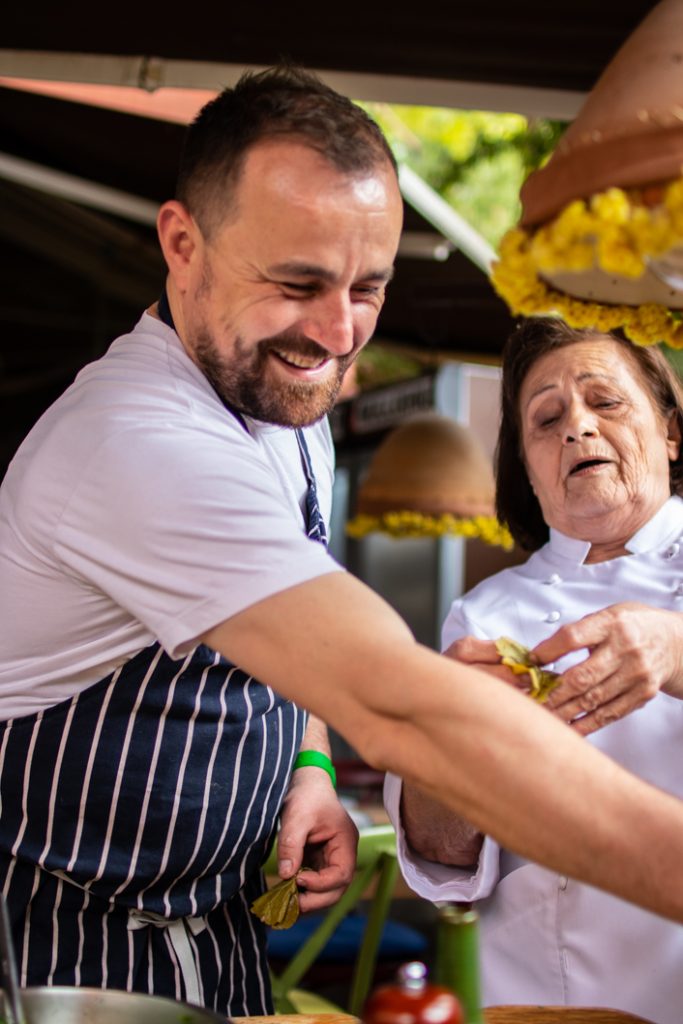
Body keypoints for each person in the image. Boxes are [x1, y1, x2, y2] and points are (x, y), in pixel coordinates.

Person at [2, 67, 683, 1018]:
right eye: (298, 283)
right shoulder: (137, 441)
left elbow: (297, 627)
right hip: (64, 946)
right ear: (181, 244)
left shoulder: (287, 411)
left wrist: (310, 763)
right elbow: (394, 704)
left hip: (225, 931)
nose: (336, 335)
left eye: (368, 287)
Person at [385, 316, 683, 1024]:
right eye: (545, 419)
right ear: (527, 467)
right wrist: (453, 747)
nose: (575, 428)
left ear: (670, 431)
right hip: (529, 995)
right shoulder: (483, 613)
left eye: (604, 402)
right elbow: (441, 858)